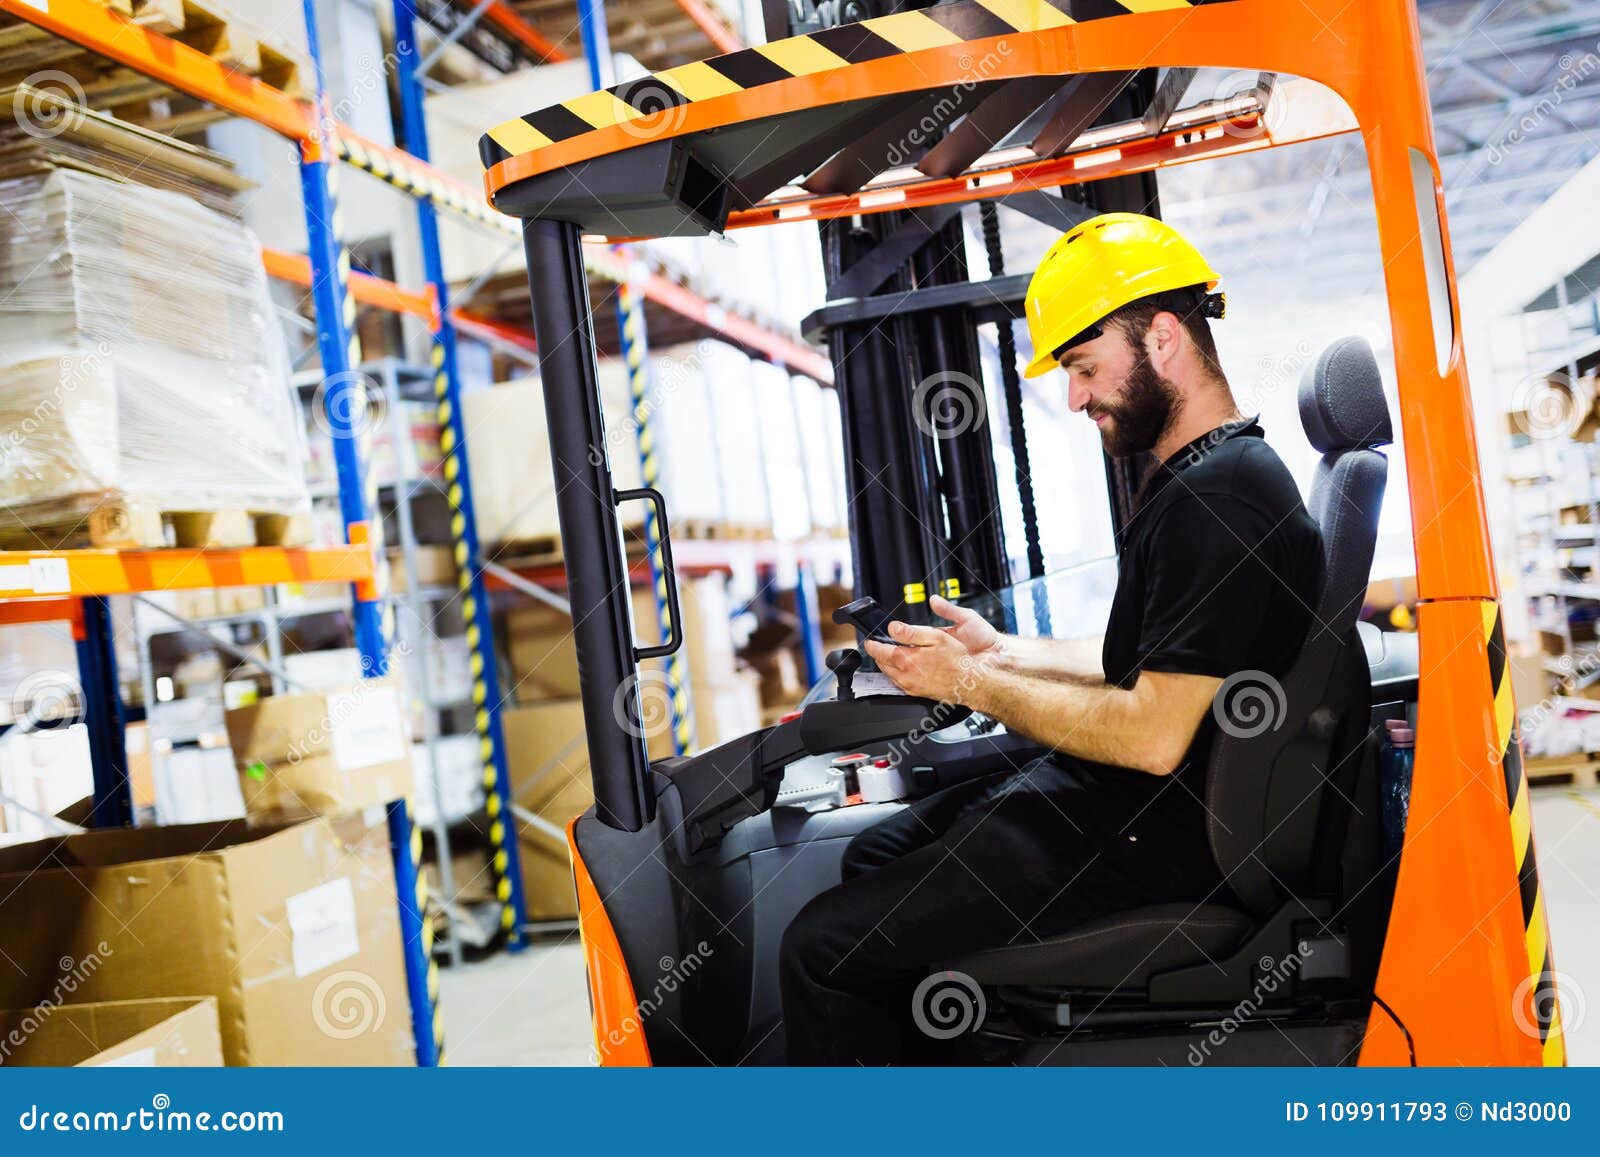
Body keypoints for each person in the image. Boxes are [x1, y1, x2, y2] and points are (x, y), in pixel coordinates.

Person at [778, 212, 1325, 1065]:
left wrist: (970, 689)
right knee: (879, 852)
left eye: (1083, 367)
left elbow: (1149, 733)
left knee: (818, 947)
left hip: (1152, 832)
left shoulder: (1220, 503)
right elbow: (1139, 663)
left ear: (1166, 338)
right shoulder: (1209, 475)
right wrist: (995, 652)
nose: (1073, 397)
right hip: (1145, 809)